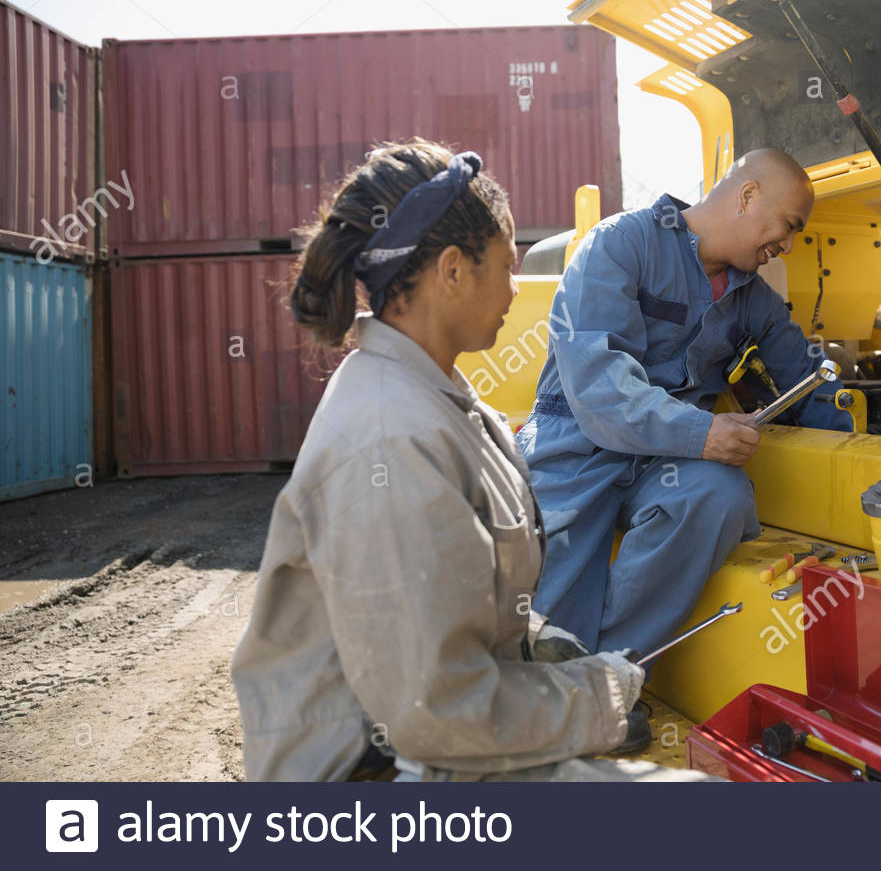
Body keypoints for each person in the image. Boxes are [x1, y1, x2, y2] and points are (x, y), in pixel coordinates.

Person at [231, 139, 713, 781]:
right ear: (453, 271)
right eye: (506, 265)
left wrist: (544, 644)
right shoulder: (391, 439)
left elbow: (462, 597)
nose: (516, 288)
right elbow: (434, 709)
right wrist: (596, 695)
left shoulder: (445, 404)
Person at [516, 148, 853, 661]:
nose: (786, 246)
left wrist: (852, 456)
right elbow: (600, 388)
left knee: (719, 493)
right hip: (579, 446)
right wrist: (702, 433)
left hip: (663, 463)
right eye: (787, 226)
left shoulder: (751, 298)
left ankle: (611, 671)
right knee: (545, 620)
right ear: (747, 195)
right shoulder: (620, 244)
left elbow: (806, 376)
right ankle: (555, 685)